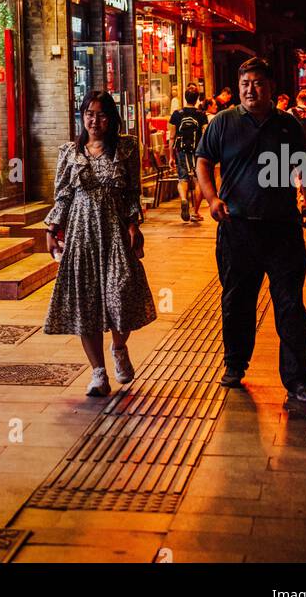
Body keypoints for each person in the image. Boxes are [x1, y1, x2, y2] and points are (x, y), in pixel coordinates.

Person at [195, 57, 306, 412]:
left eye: (258, 83)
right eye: (245, 83)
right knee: (237, 301)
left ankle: (298, 380)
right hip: (238, 229)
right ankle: (235, 365)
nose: (251, 89)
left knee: (290, 304)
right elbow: (203, 159)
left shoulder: (287, 125)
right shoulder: (223, 123)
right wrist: (211, 197)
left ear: (271, 89)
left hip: (283, 229)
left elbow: (305, 162)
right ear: (239, 88)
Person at [44, 90, 156, 398]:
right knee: (86, 304)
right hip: (81, 236)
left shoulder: (127, 148)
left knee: (122, 292)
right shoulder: (70, 152)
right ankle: (97, 373)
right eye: (89, 114)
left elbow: (132, 191)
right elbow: (63, 194)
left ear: (112, 118)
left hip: (116, 231)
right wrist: (52, 230)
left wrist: (134, 223)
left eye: (101, 114)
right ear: (82, 117)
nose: (94, 120)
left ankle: (119, 347)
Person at [168, 88, 208, 224]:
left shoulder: (177, 114)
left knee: (182, 179)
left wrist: (171, 156)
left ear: (185, 98)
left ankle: (184, 199)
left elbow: (172, 137)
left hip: (181, 150)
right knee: (199, 180)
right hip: (198, 151)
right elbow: (206, 134)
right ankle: (195, 212)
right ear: (197, 99)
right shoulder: (201, 114)